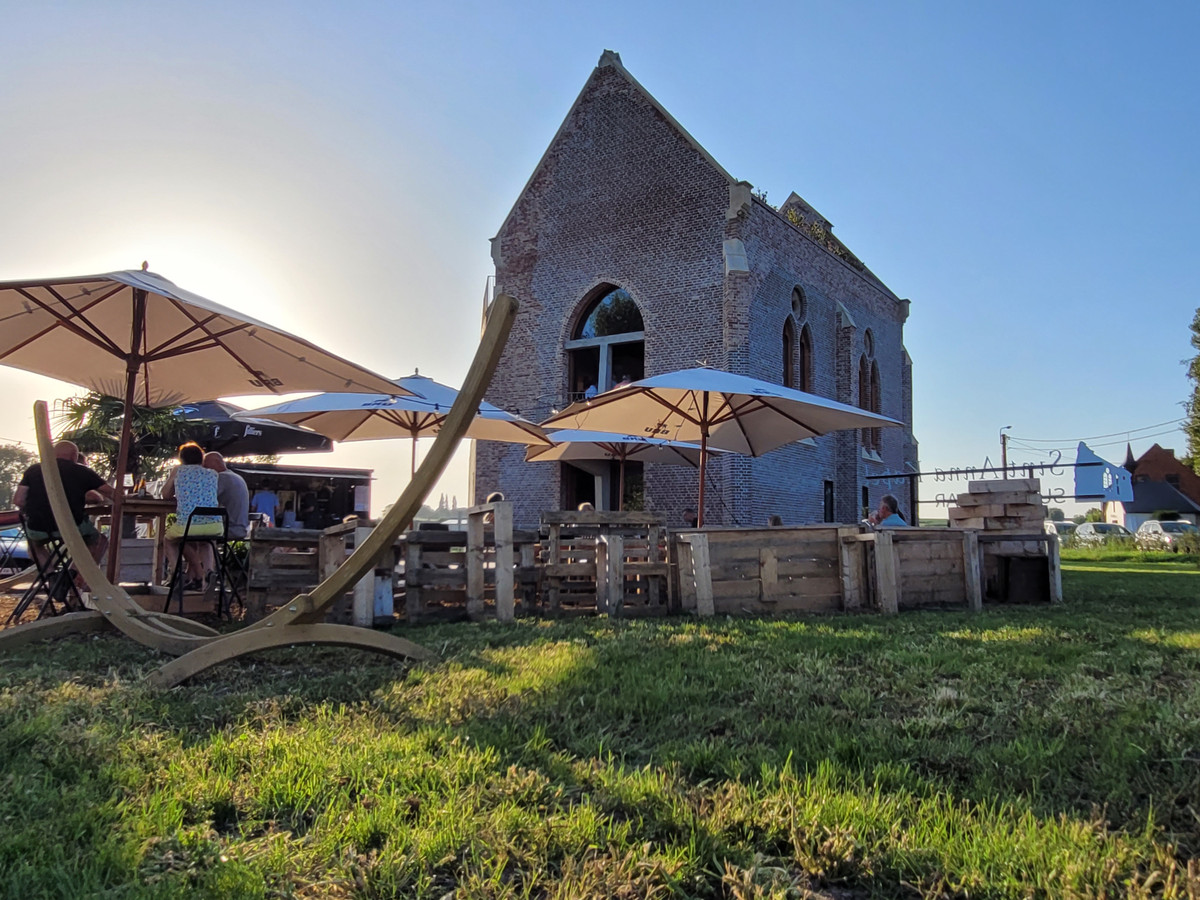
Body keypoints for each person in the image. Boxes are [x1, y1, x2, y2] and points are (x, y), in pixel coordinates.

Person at [14, 440, 115, 586]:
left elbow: (18, 500)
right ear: (74, 455)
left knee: (34, 546)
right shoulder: (82, 471)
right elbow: (111, 494)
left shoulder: (34, 469)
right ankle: (72, 575)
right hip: (72, 527)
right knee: (97, 540)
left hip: (38, 528)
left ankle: (51, 576)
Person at [162, 442, 222, 591]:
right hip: (215, 524)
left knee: (169, 540)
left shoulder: (179, 471)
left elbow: (165, 494)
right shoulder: (213, 473)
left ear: (181, 459)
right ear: (201, 458)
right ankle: (208, 575)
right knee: (206, 542)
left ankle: (177, 572)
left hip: (189, 524)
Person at [201, 452, 249, 539]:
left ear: (216, 462)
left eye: (206, 465)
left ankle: (211, 553)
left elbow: (204, 499)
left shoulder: (222, 478)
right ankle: (212, 552)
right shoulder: (236, 477)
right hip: (241, 528)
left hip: (229, 528)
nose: (204, 469)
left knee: (186, 535)